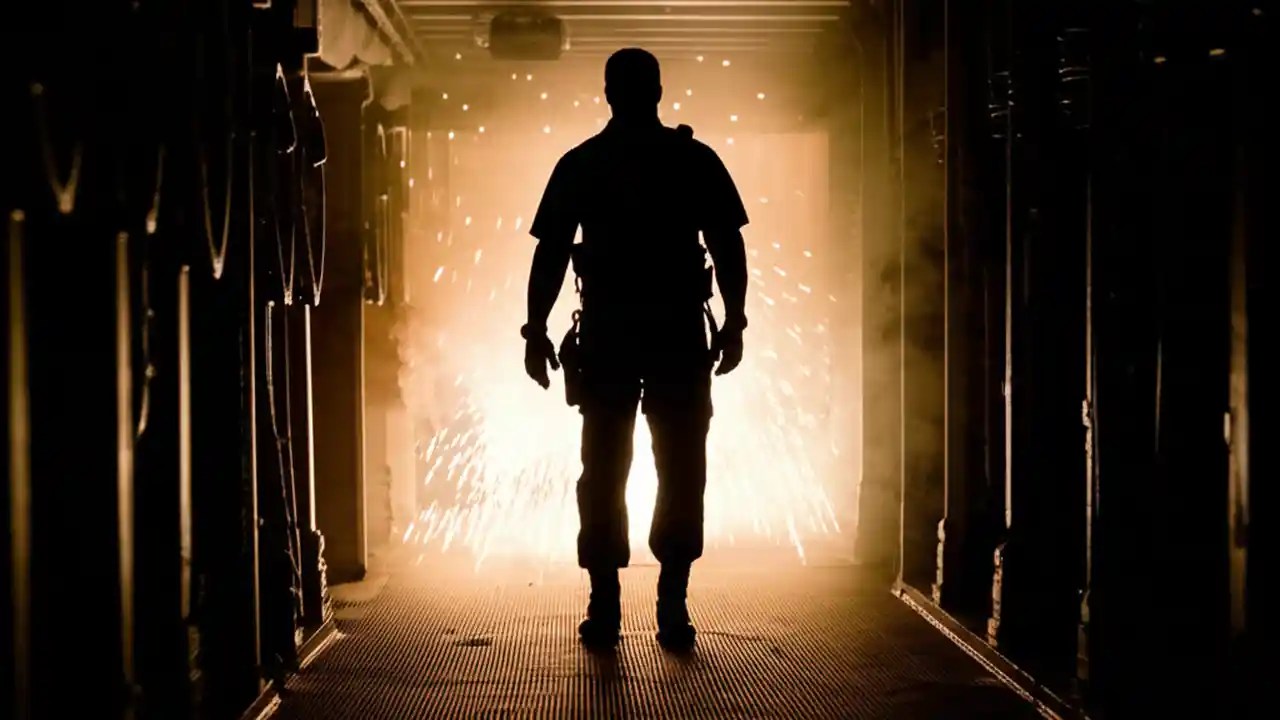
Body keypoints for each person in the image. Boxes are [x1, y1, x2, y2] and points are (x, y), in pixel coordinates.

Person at [520, 48, 749, 651]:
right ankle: (672, 603)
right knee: (681, 466)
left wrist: (536, 330)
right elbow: (727, 246)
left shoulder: (582, 163)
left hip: (609, 335)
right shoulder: (693, 160)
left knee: (603, 467)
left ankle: (605, 605)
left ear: (607, 93)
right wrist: (734, 321)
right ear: (659, 91)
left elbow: (550, 253)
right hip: (676, 334)